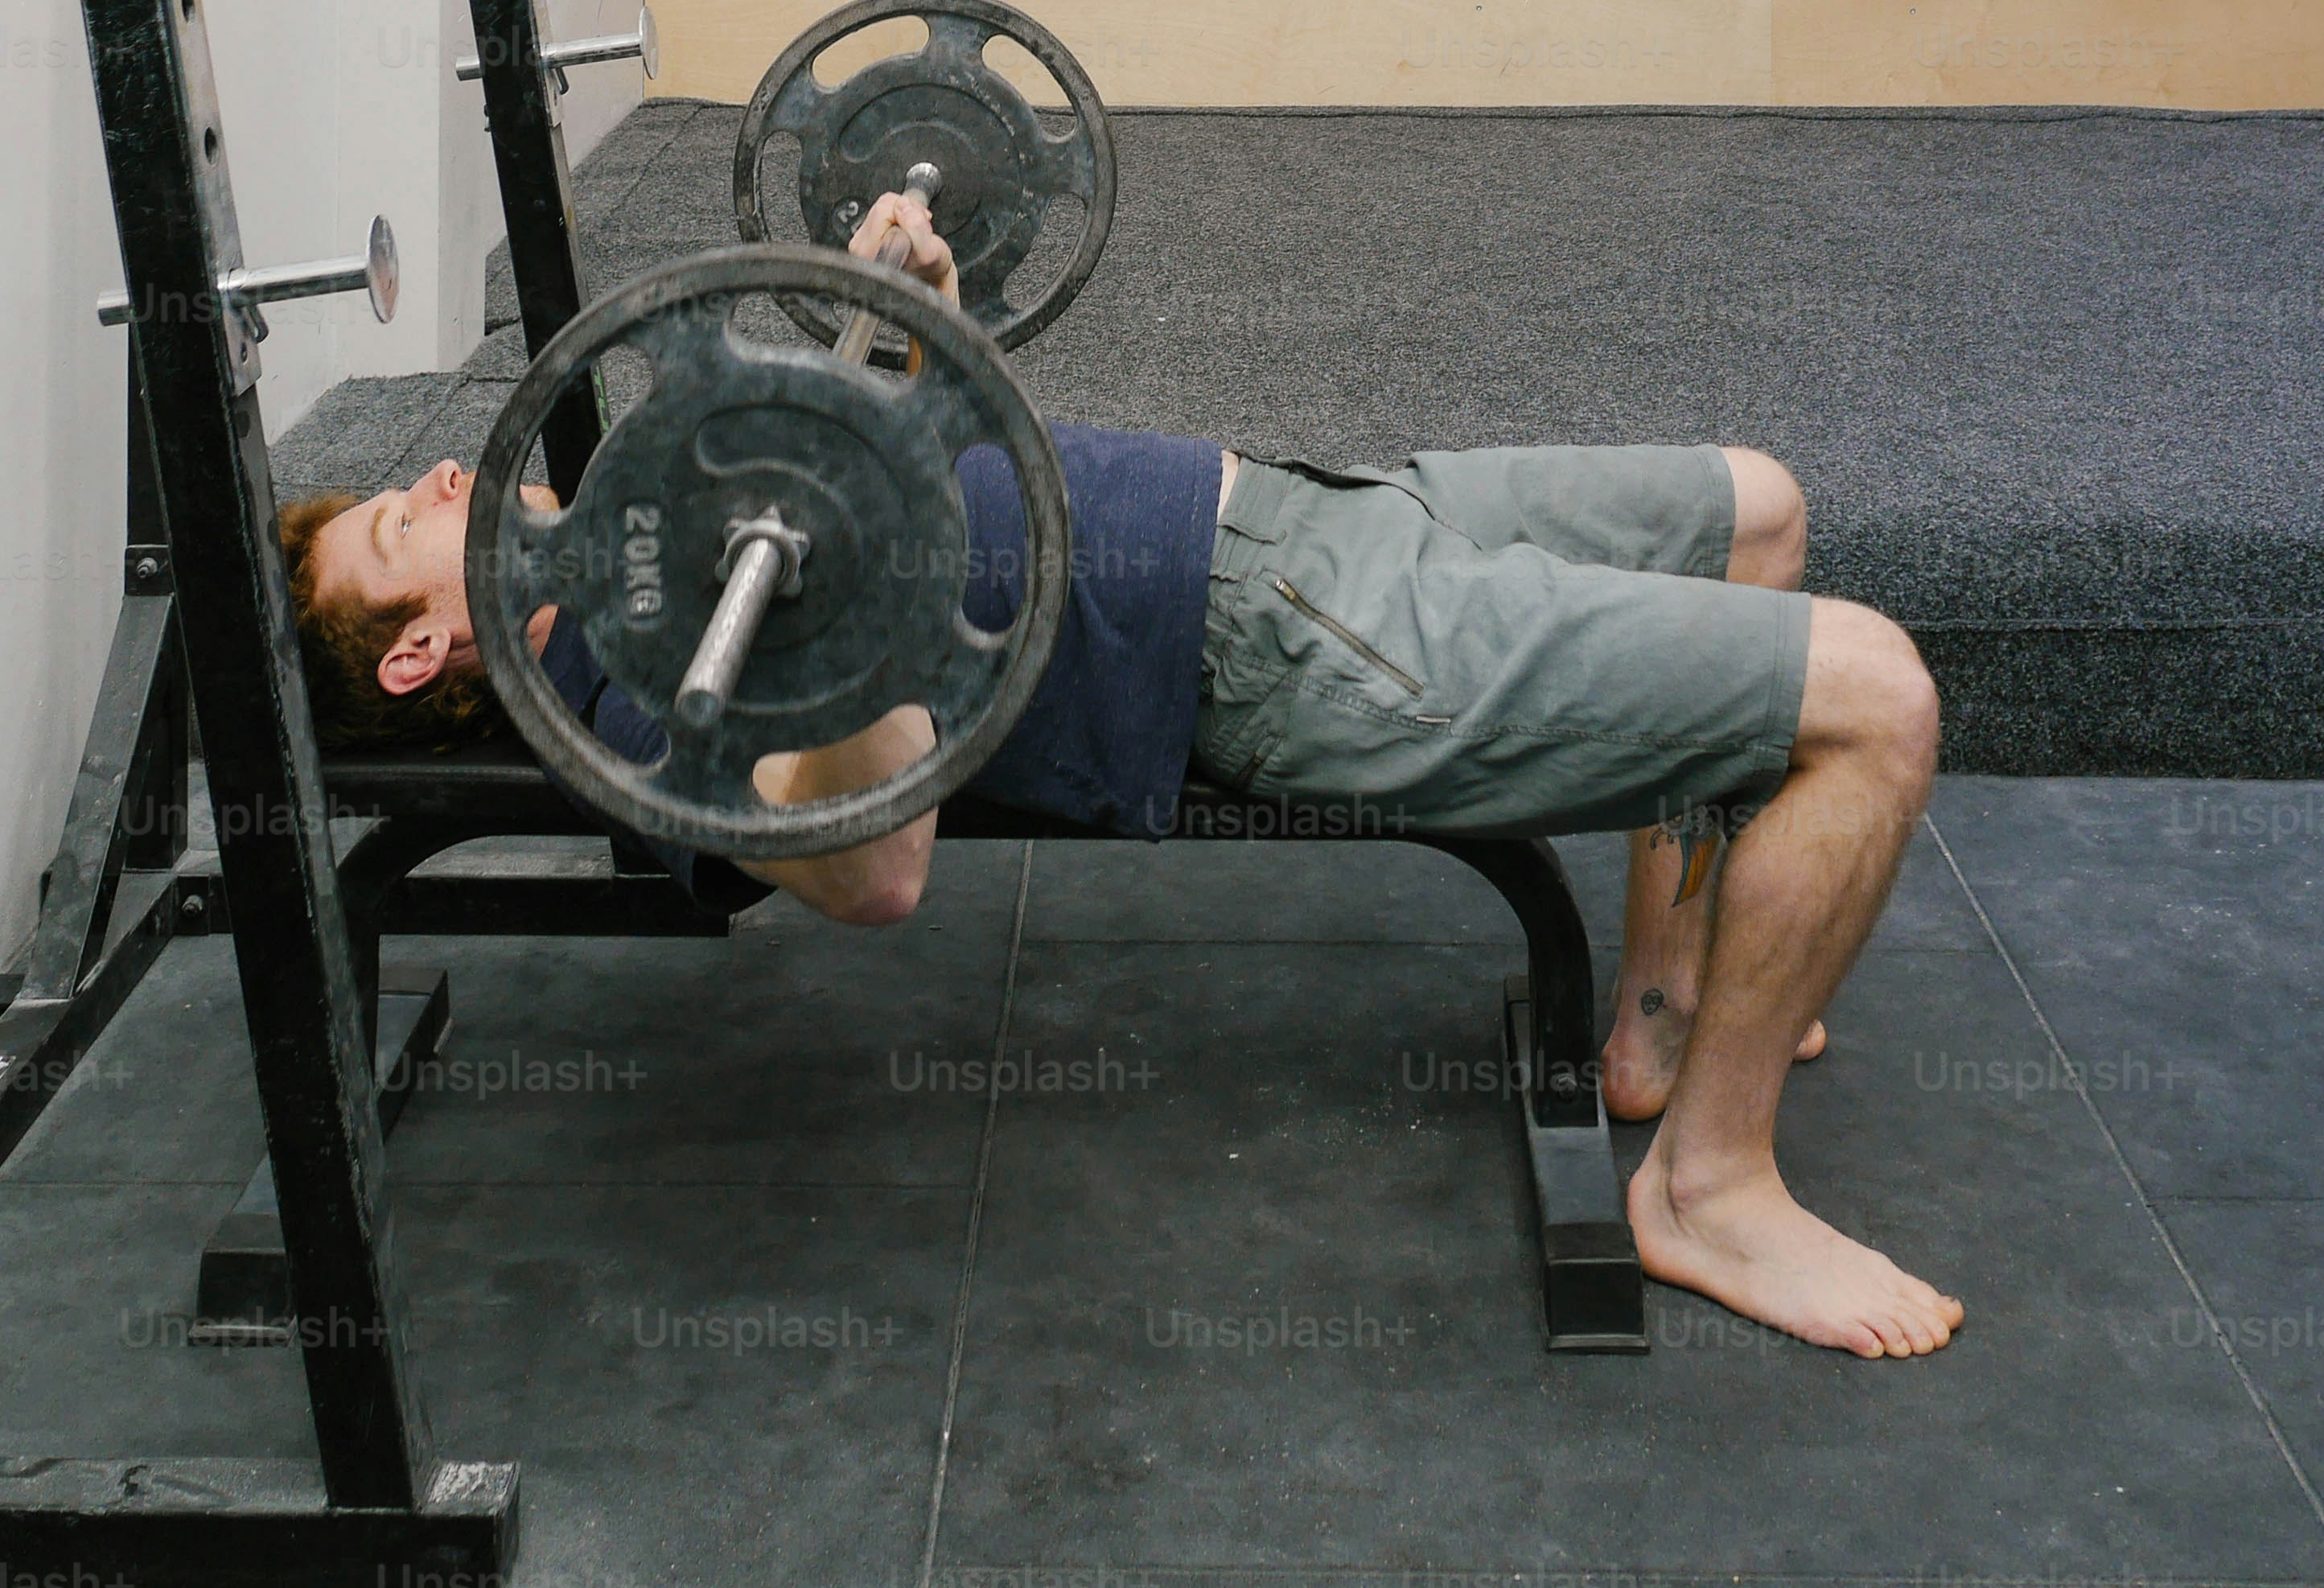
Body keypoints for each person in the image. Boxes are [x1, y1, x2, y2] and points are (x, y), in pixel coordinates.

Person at [282, 187, 1959, 1361]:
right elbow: (873, 867)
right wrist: (846, 596)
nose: (435, 475)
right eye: (395, 527)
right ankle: (1710, 1190)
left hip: (1316, 508)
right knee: (1873, 698)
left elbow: (889, 462)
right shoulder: (646, 711)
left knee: (1761, 507)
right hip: (1294, 639)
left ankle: (1665, 1023)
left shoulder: (661, 522)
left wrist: (914, 331)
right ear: (422, 650)